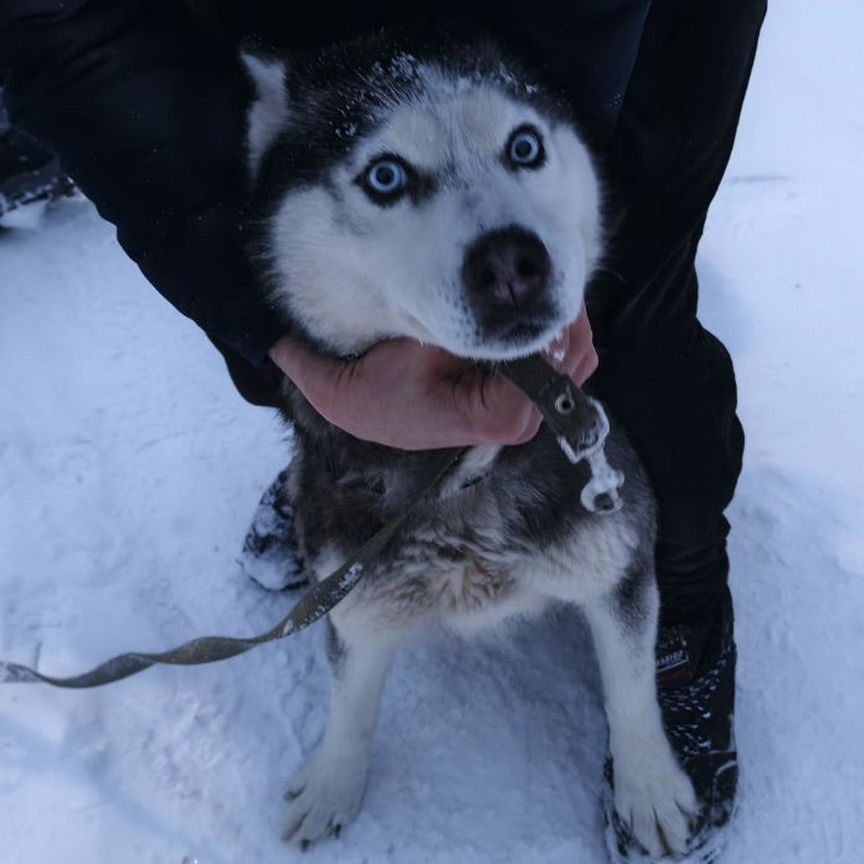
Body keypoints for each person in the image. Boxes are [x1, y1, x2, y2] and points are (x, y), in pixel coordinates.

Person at [0, 1, 767, 859]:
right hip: (299, 30)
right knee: (297, 326)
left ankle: (687, 602)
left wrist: (555, 199)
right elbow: (64, 28)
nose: (500, 252)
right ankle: (348, 470)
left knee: (637, 328)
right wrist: (301, 361)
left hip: (615, 25)